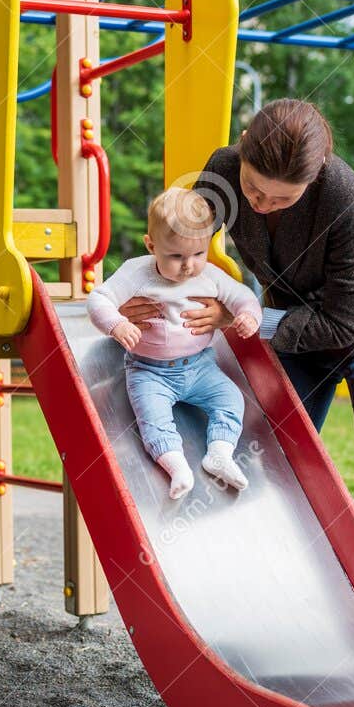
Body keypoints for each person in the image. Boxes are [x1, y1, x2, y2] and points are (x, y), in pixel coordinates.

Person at [113, 99, 354, 635]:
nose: (264, 205)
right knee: (261, 469)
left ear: (315, 176)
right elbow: (178, 242)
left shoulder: (345, 196)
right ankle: (263, 622)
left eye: (283, 199)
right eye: (254, 192)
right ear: (244, 146)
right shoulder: (224, 170)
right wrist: (142, 292)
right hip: (292, 330)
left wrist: (242, 317)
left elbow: (343, 326)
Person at [88, 189, 262, 500]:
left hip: (200, 367)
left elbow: (243, 296)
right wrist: (117, 323)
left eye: (198, 254)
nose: (188, 265)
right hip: (149, 371)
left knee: (232, 399)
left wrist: (249, 315)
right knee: (153, 419)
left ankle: (219, 453)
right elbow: (99, 299)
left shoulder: (209, 275)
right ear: (151, 245)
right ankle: (176, 465)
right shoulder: (136, 272)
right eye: (176, 256)